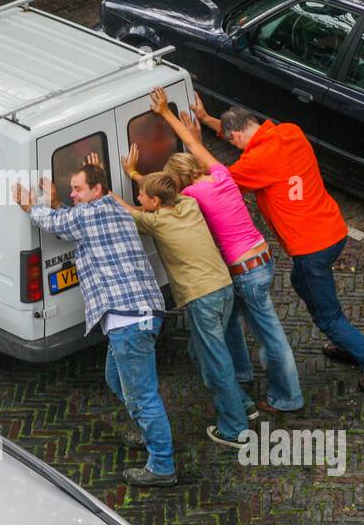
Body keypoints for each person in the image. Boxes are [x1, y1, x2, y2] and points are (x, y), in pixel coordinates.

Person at [192, 96, 364, 396]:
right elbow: (238, 132)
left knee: (329, 318)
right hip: (333, 231)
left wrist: (196, 137)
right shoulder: (290, 131)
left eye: (233, 143)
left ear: (237, 135)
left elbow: (219, 178)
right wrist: (207, 118)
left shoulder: (255, 162)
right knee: (299, 280)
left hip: (311, 248)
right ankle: (347, 341)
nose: (235, 149)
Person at [13, 162, 176, 487]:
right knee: (114, 376)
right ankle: (148, 430)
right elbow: (68, 224)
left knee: (143, 396)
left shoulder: (87, 215)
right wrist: (59, 201)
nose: (72, 194)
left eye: (77, 189)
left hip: (127, 320)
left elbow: (52, 222)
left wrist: (30, 204)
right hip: (144, 312)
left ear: (97, 189)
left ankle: (162, 465)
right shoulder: (111, 208)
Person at [147, 88, 304, 413]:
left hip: (242, 270)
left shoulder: (190, 197)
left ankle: (288, 397)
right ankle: (241, 373)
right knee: (230, 318)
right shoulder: (221, 175)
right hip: (261, 258)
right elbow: (193, 147)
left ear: (178, 181)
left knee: (270, 335)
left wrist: (136, 174)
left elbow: (162, 198)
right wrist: (167, 114)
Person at [93, 149, 254, 449]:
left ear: (155, 203)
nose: (139, 197)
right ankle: (243, 403)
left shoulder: (156, 222)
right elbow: (162, 189)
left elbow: (124, 210)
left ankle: (235, 429)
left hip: (201, 297)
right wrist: (134, 174)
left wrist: (101, 186)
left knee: (216, 362)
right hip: (222, 287)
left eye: (142, 195)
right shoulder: (188, 204)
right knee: (201, 353)